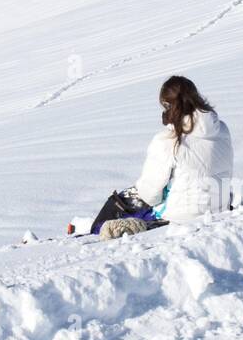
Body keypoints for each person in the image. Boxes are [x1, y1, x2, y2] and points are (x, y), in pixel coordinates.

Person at [95, 76, 235, 239]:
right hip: (219, 209)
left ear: (168, 105)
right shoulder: (222, 129)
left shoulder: (169, 139)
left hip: (180, 218)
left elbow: (150, 194)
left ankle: (95, 232)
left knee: (120, 202)